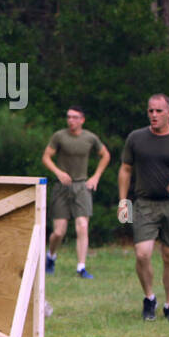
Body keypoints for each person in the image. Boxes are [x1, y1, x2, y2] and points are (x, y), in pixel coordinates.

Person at [118, 93, 169, 320]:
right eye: (150, 111)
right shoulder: (136, 138)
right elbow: (125, 170)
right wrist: (124, 202)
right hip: (144, 204)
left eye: (158, 111)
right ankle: (150, 298)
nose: (153, 115)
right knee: (142, 253)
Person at [42, 106, 110, 278]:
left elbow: (105, 155)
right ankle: (51, 256)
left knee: (82, 225)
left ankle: (81, 267)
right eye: (69, 117)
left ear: (82, 120)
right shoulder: (59, 136)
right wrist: (58, 172)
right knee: (59, 232)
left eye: (75, 117)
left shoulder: (90, 138)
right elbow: (46, 157)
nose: (71, 120)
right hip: (61, 186)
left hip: (82, 186)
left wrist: (95, 177)